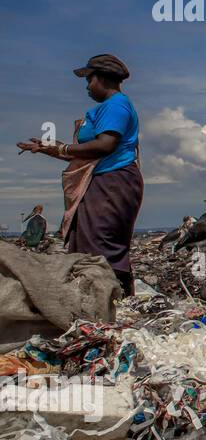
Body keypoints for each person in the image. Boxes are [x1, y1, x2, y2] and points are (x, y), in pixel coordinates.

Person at [16, 54, 143, 295]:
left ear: (102, 78)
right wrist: (49, 148)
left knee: (101, 244)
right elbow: (84, 153)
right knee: (89, 243)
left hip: (112, 182)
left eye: (89, 80)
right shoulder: (107, 107)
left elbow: (105, 145)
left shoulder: (115, 105)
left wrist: (63, 148)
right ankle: (108, 300)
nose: (87, 87)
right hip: (102, 181)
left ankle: (112, 300)